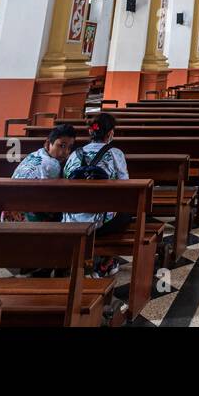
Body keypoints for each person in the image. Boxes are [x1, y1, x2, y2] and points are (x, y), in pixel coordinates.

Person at [63, 113, 130, 277]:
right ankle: (107, 262)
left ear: (90, 132)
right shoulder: (116, 154)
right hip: (102, 224)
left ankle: (78, 261)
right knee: (126, 213)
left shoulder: (74, 154)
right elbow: (126, 186)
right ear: (110, 133)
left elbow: (65, 180)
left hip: (71, 220)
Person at [2, 124, 75, 222]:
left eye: (69, 147)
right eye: (61, 146)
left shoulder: (32, 155)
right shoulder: (53, 165)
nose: (66, 152)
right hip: (25, 221)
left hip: (6, 215)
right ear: (48, 143)